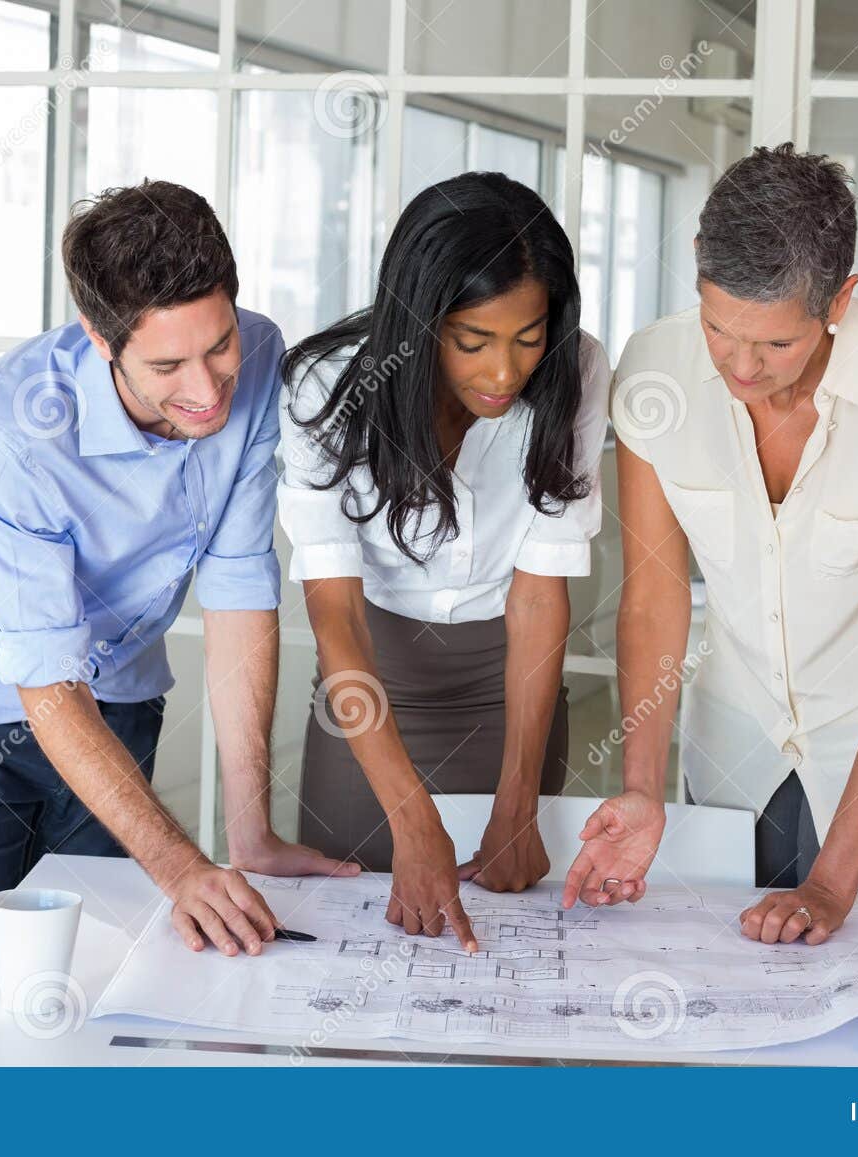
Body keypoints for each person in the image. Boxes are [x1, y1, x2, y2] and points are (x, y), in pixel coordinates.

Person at [0, 180, 355, 1011]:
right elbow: (47, 677)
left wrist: (248, 833)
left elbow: (238, 584)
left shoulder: (259, 355)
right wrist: (180, 865)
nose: (208, 388)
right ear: (99, 339)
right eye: (167, 366)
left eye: (218, 345)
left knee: (103, 984)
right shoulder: (14, 429)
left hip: (120, 697)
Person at [562, 144, 858, 946]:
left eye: (776, 345)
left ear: (840, 299)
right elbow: (654, 597)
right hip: (733, 750)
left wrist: (830, 884)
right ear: (699, 263)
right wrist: (642, 785)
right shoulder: (655, 371)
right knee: (730, 979)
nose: (740, 366)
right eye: (718, 329)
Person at [279, 171, 610, 950]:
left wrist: (517, 802)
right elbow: (337, 616)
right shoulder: (325, 389)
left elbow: (539, 595)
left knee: (511, 942)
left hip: (511, 688)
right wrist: (410, 815)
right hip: (371, 687)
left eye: (528, 337)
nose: (504, 373)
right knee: (352, 940)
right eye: (472, 342)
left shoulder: (577, 370)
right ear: (419, 321)